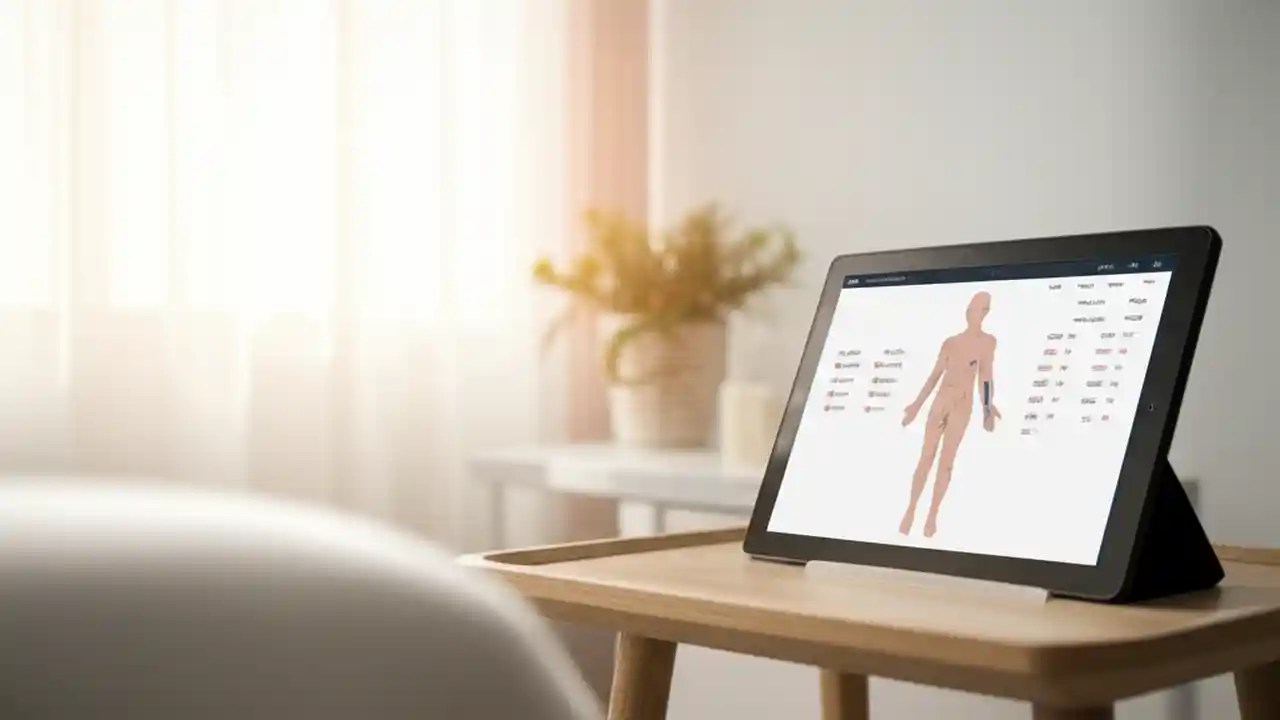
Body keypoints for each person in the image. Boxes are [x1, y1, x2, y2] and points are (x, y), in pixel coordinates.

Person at [899, 291, 1000, 537]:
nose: (971, 312)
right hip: (942, 399)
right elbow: (935, 375)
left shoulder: (988, 342)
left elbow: (985, 376)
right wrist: (916, 405)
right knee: (926, 456)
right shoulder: (951, 342)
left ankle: (932, 515)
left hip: (963, 404)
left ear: (985, 313)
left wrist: (987, 406)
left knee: (946, 462)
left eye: (977, 308)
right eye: (970, 307)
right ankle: (911, 510)